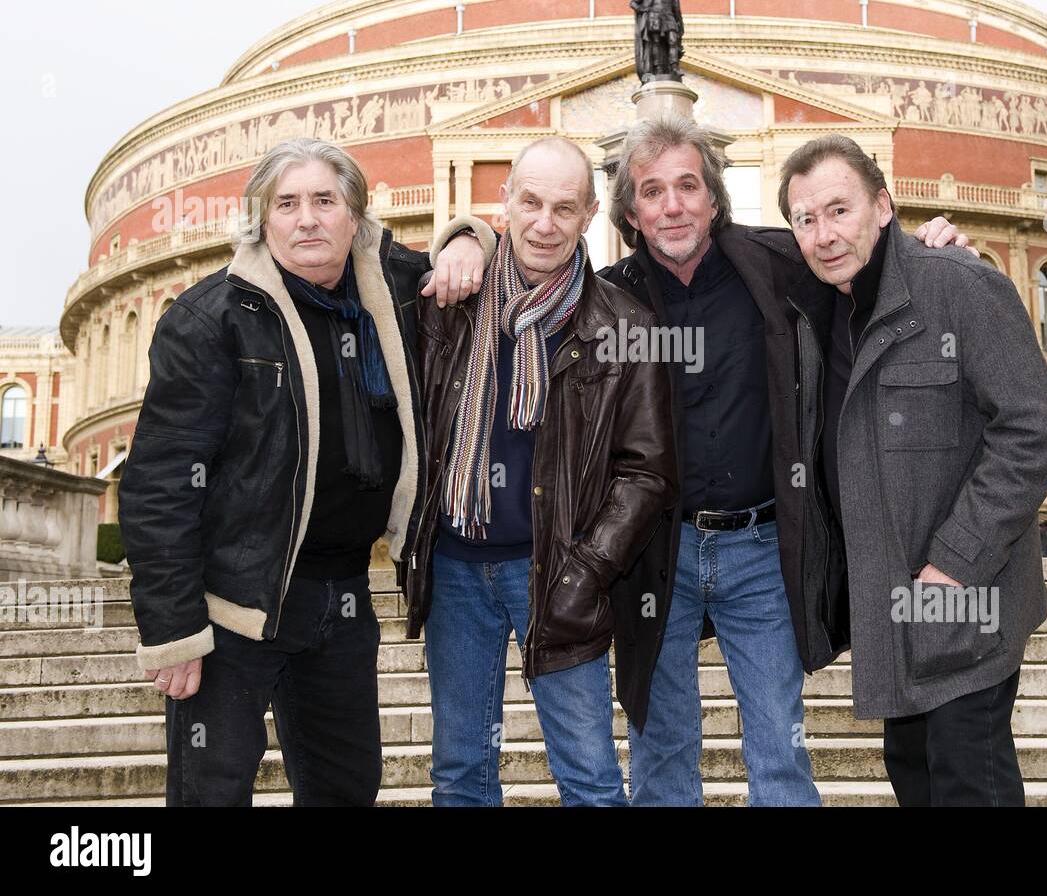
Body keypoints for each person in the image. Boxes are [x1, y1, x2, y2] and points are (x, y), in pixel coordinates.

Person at [425, 113, 972, 806]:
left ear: (715, 198)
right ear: (627, 211)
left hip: (764, 547)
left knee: (779, 745)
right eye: (652, 191)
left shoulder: (782, 268)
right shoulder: (609, 302)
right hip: (656, 553)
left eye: (688, 186)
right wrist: (465, 236)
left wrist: (927, 248)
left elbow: (859, 262)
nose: (673, 204)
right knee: (661, 748)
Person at [118, 138, 429, 805]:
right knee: (213, 791)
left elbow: (469, 265)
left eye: (325, 200)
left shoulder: (386, 295)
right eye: (286, 203)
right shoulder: (211, 319)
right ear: (262, 219)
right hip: (236, 604)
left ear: (357, 218)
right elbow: (160, 482)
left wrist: (472, 240)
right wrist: (173, 630)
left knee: (346, 789)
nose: (306, 218)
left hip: (342, 600)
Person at [780, 133, 1047, 806]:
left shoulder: (960, 284)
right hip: (891, 615)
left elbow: (1031, 431)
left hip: (965, 600)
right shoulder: (817, 312)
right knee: (917, 778)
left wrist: (955, 562)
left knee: (968, 781)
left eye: (839, 210)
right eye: (804, 219)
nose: (823, 234)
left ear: (884, 204)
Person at [406, 136, 677, 806]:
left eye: (564, 207)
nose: (544, 223)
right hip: (456, 566)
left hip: (558, 572)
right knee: (461, 770)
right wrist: (460, 237)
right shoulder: (450, 299)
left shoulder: (625, 323)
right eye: (529, 202)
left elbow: (647, 471)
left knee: (589, 777)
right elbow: (350, 251)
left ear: (588, 214)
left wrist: (587, 568)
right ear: (504, 202)